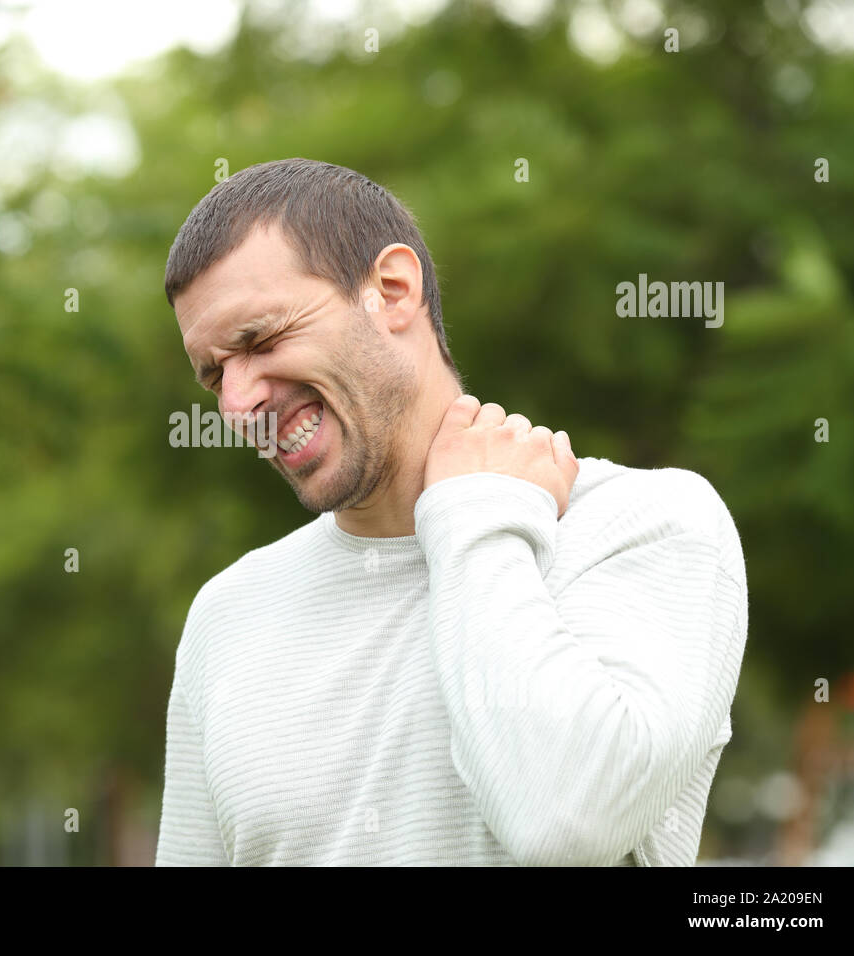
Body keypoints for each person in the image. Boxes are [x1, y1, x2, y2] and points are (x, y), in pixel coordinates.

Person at [154, 158, 748, 865]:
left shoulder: (647, 524)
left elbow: (564, 823)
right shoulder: (227, 615)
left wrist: (473, 516)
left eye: (259, 341)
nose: (236, 404)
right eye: (216, 373)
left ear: (392, 291)